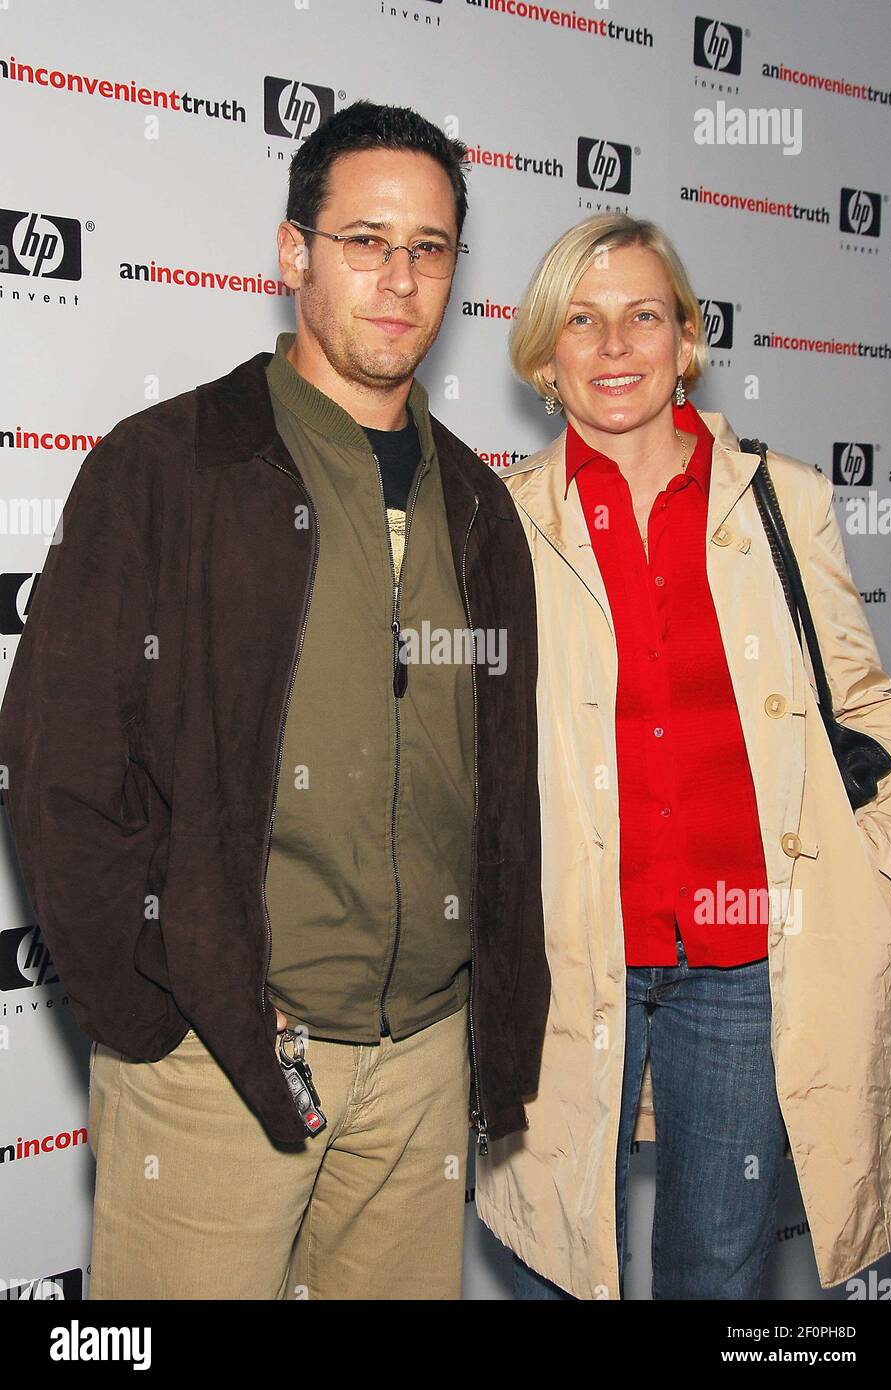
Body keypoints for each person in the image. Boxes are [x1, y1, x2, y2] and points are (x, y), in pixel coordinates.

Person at [0, 101, 549, 1300]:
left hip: (422, 1067)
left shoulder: (478, 509)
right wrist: (163, 1005)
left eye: (431, 247)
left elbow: (502, 799)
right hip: (217, 1059)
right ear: (294, 253)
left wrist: (488, 1026)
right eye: (365, 240)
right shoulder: (167, 467)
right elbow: (56, 769)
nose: (400, 279)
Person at [474, 212, 891, 1301]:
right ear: (544, 354)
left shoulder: (784, 501)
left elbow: (863, 704)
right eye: (583, 319)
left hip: (750, 961)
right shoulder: (495, 524)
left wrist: (879, 870)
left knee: (718, 1268)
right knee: (555, 1262)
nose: (615, 345)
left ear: (684, 343)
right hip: (571, 957)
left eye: (643, 316)